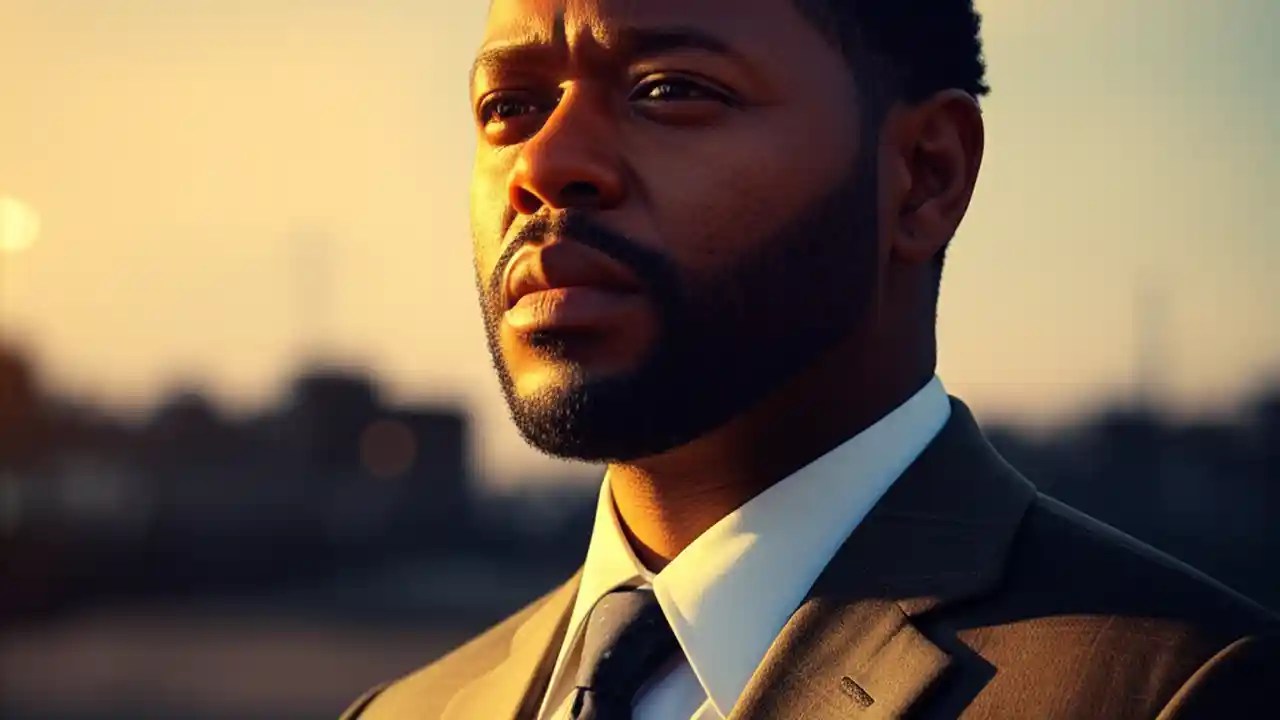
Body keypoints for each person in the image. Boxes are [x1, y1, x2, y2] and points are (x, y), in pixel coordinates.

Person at [343, 0, 1279, 717]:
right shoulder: (405, 708)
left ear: (925, 176)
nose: (545, 163)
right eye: (508, 105)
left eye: (670, 89)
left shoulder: (1186, 690)